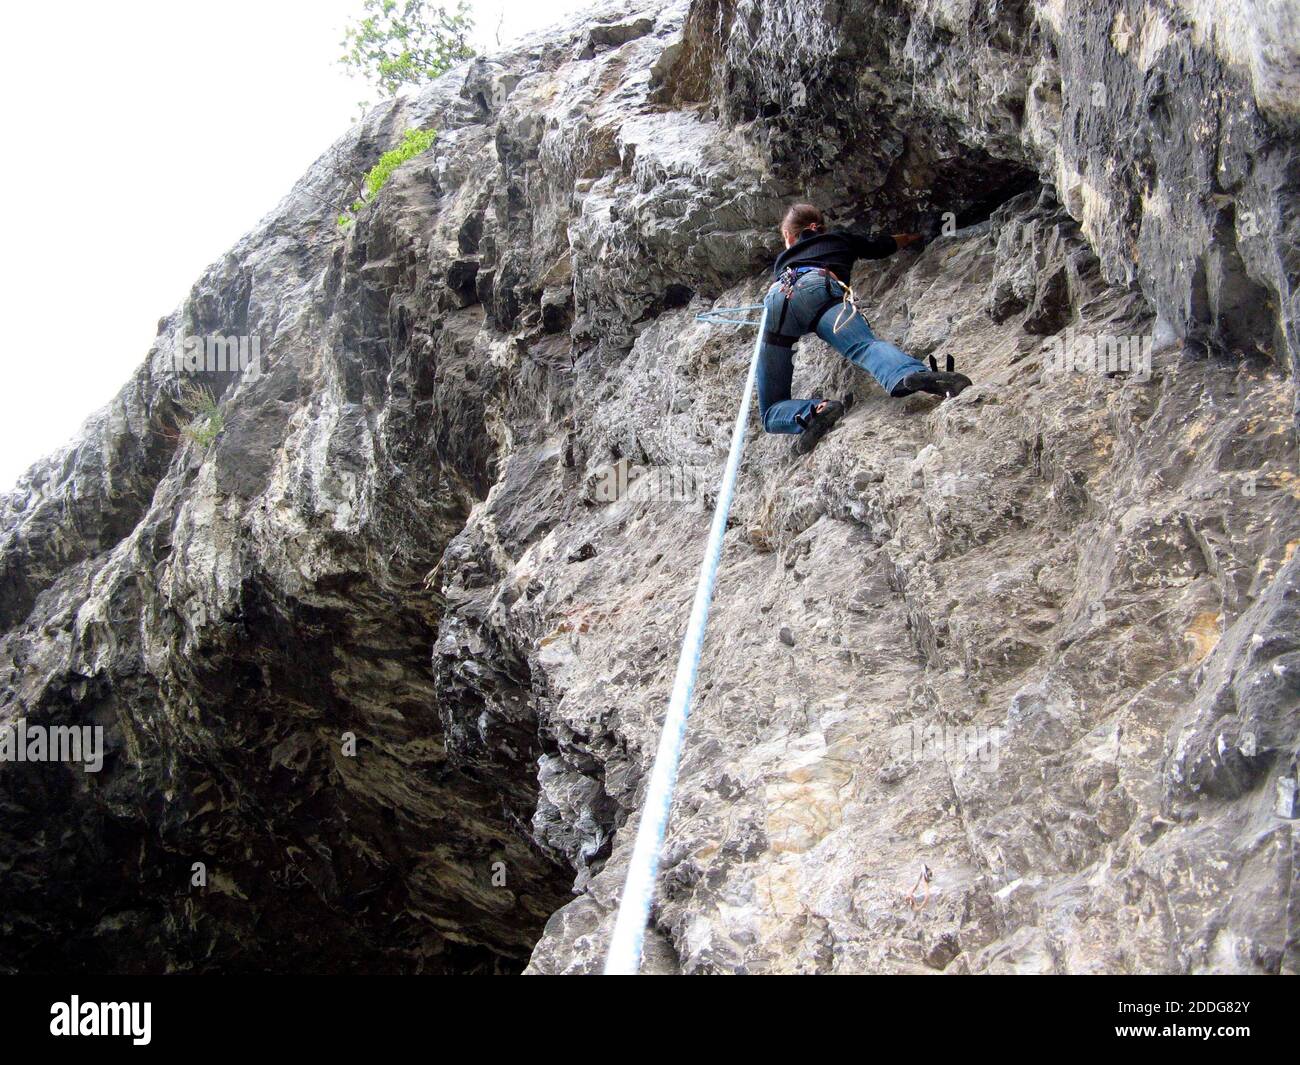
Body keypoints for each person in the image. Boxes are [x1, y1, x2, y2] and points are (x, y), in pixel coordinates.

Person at [759, 203, 971, 453]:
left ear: (788, 236)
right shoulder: (839, 239)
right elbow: (882, 245)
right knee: (865, 346)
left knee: (772, 409)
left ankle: (815, 412)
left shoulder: (784, 259)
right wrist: (915, 236)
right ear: (819, 226)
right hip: (820, 287)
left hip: (778, 298)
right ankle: (909, 374)